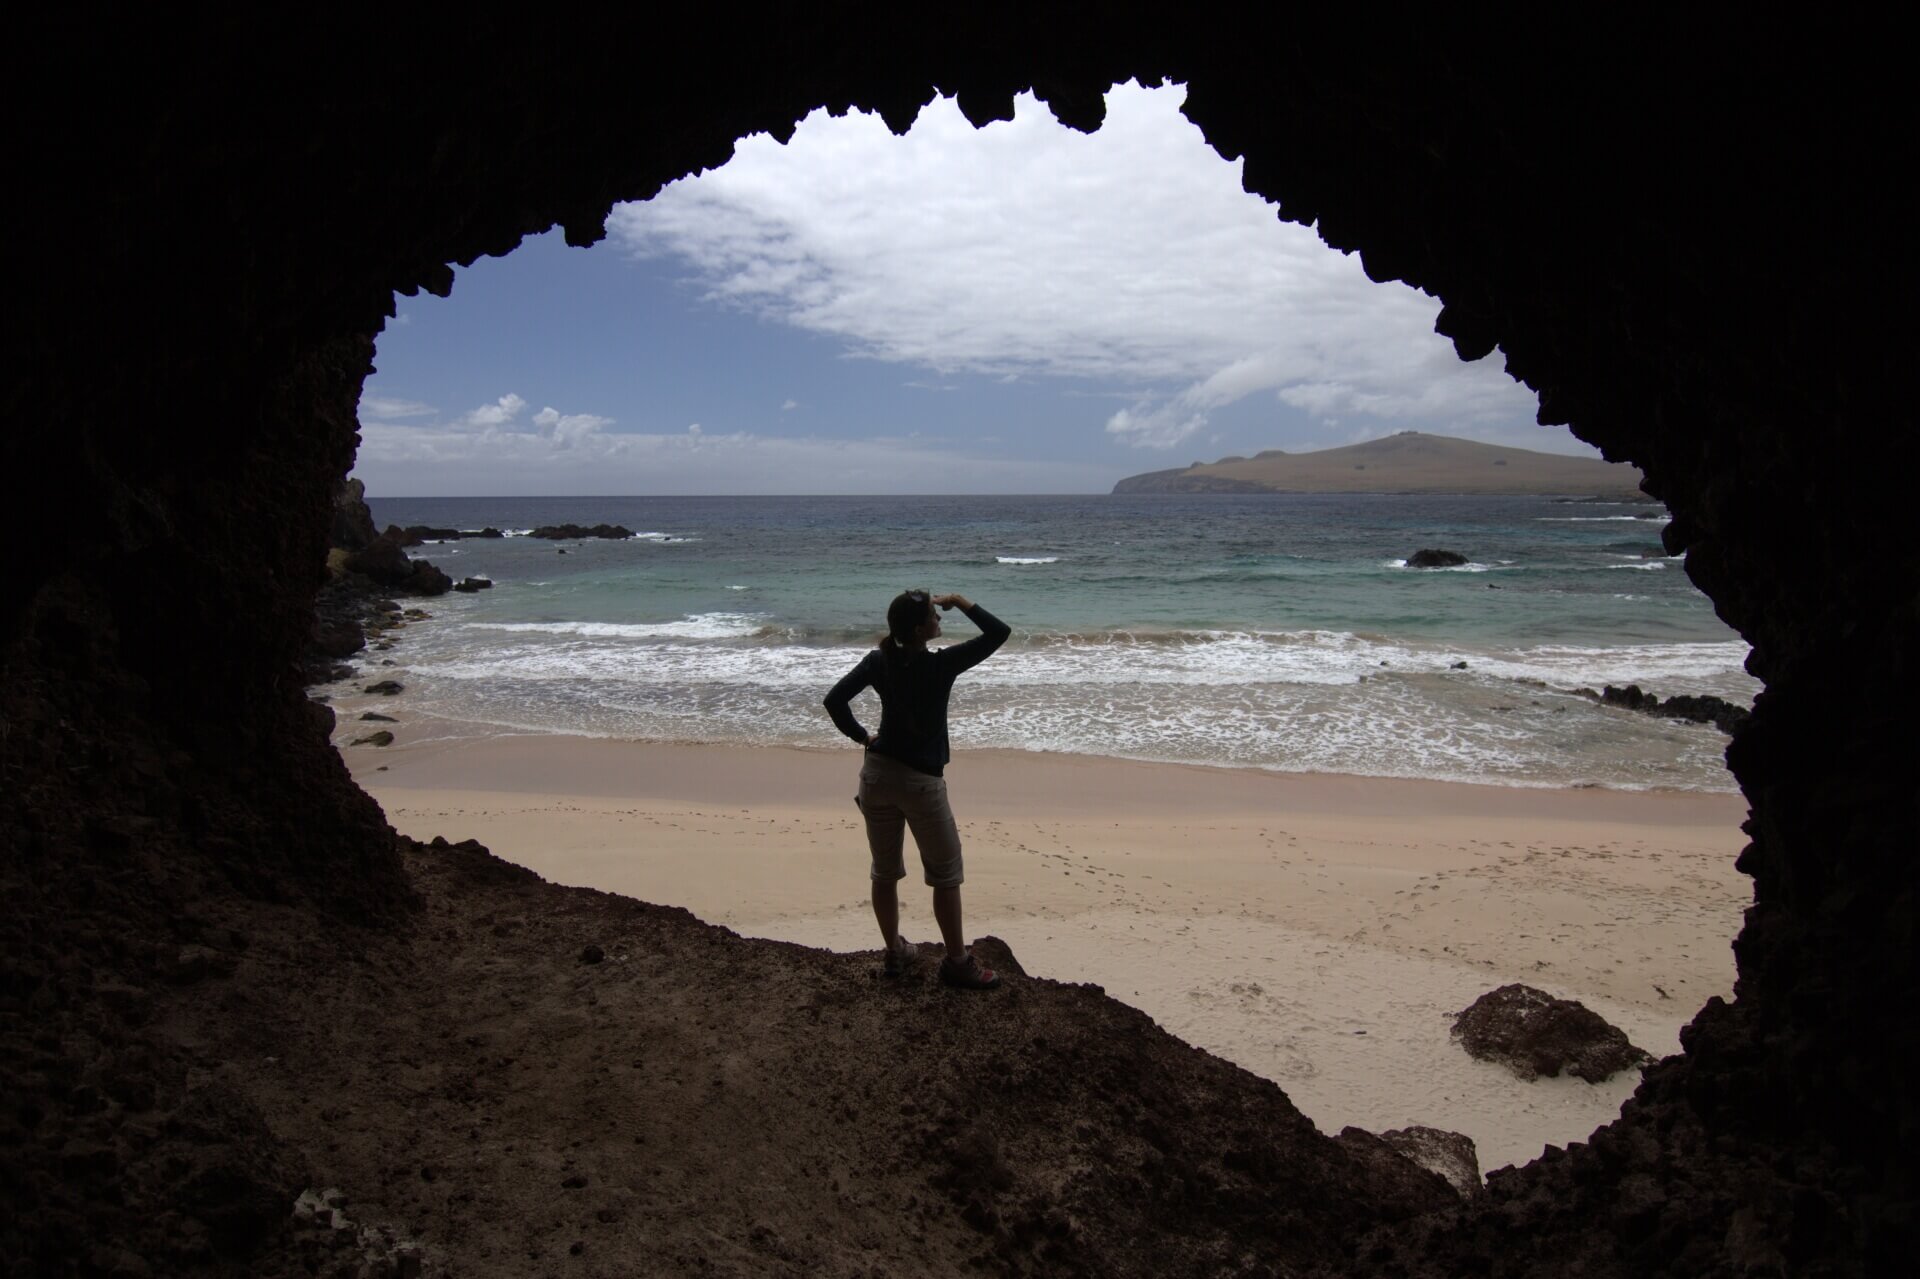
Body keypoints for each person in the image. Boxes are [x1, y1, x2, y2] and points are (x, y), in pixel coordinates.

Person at [823, 590, 1011, 989]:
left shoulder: (880, 660)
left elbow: (835, 700)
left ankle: (895, 952)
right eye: (934, 615)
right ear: (919, 629)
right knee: (945, 874)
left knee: (885, 871)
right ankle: (957, 963)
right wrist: (961, 601)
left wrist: (863, 737)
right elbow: (999, 632)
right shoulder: (941, 666)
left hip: (876, 776)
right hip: (921, 783)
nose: (940, 620)